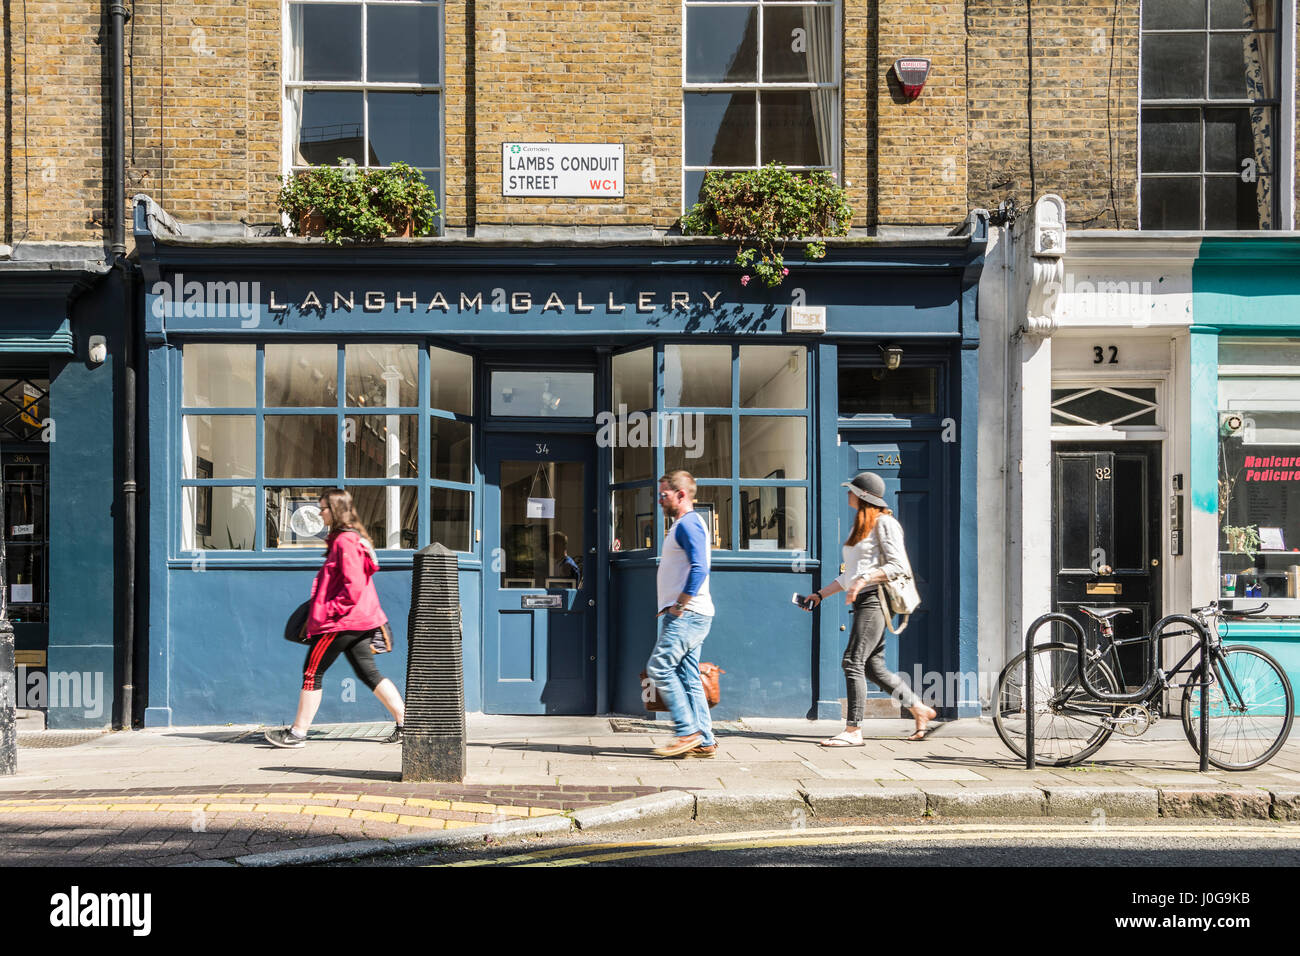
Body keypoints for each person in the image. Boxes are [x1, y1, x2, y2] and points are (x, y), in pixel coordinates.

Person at [800, 471, 938, 744]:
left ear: (862, 496)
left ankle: (853, 730)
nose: (848, 494)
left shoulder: (886, 524)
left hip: (876, 599)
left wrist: (863, 580)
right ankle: (919, 709)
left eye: (851, 490)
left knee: (852, 661)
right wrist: (820, 594)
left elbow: (897, 566)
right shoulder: (860, 527)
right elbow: (850, 574)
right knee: (874, 668)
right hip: (865, 599)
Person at [265, 488, 406, 748]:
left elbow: (352, 587)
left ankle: (297, 733)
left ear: (336, 510)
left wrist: (329, 611)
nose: (320, 513)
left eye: (323, 508)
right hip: (359, 621)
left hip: (342, 622)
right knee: (368, 673)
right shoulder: (347, 539)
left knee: (312, 672)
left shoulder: (344, 541)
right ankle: (406, 724)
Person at [646, 470, 718, 758]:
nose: (659, 500)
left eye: (664, 495)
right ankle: (705, 741)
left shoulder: (688, 524)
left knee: (659, 667)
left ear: (681, 494)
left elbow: (700, 567)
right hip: (689, 614)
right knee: (689, 676)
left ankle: (687, 732)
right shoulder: (684, 525)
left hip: (689, 614)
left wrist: (679, 604)